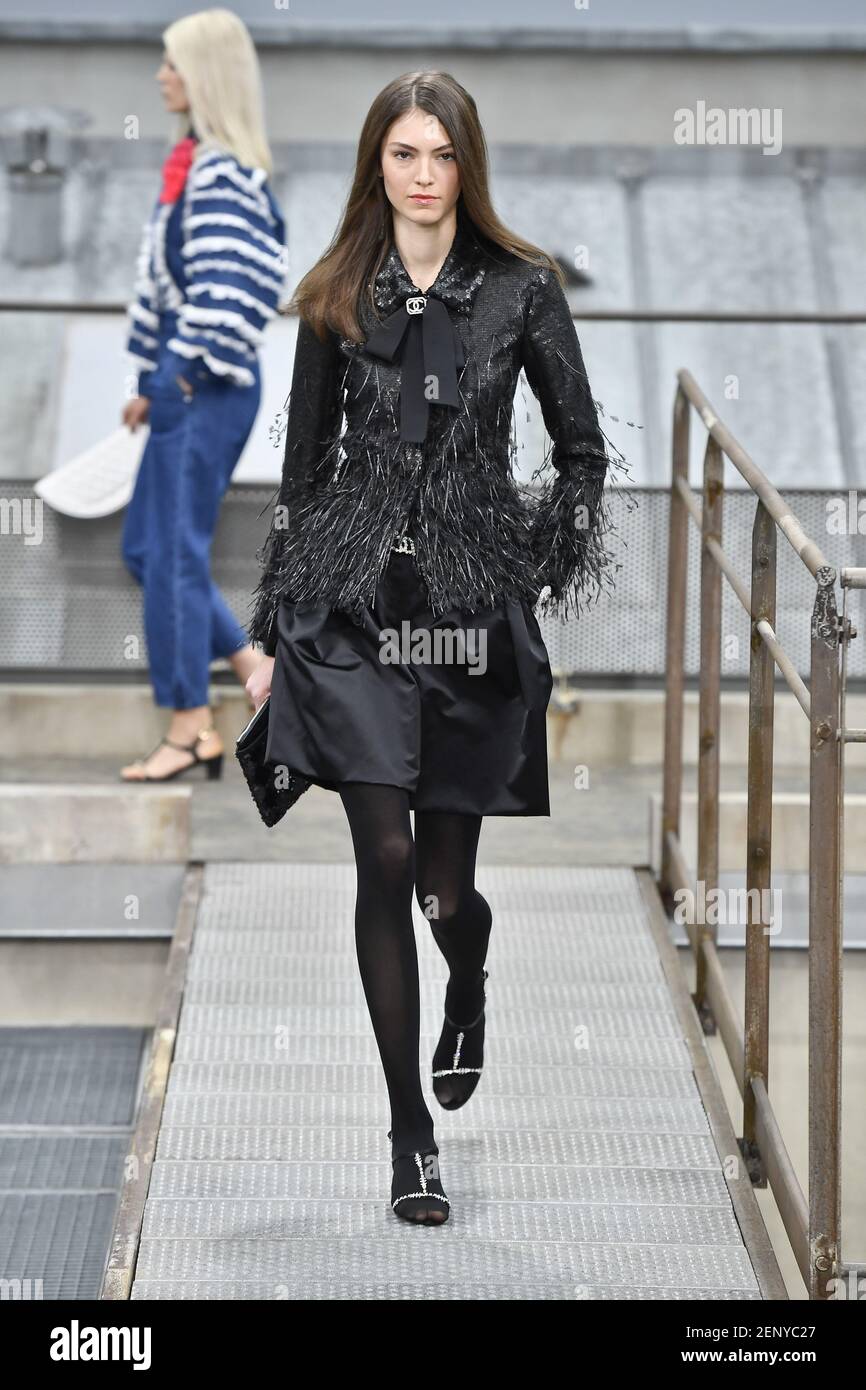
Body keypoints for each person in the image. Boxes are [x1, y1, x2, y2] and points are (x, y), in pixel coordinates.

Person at [245, 71, 624, 1224]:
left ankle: (469, 975)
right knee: (386, 862)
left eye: (440, 156)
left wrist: (529, 570)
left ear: (466, 166)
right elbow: (301, 472)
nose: (420, 175)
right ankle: (410, 1136)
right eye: (402, 154)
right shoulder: (337, 294)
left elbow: (581, 454)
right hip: (352, 609)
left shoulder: (521, 290)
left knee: (447, 892)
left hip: (465, 619)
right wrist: (268, 634)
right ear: (377, 165)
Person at [119, 8, 287, 782]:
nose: (161, 75)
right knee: (149, 549)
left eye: (173, 64)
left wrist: (178, 374)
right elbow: (168, 288)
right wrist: (149, 382)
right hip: (185, 387)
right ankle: (257, 672)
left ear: (205, 78)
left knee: (173, 553)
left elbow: (232, 292)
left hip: (209, 388)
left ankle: (189, 727)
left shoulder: (220, 170)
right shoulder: (195, 162)